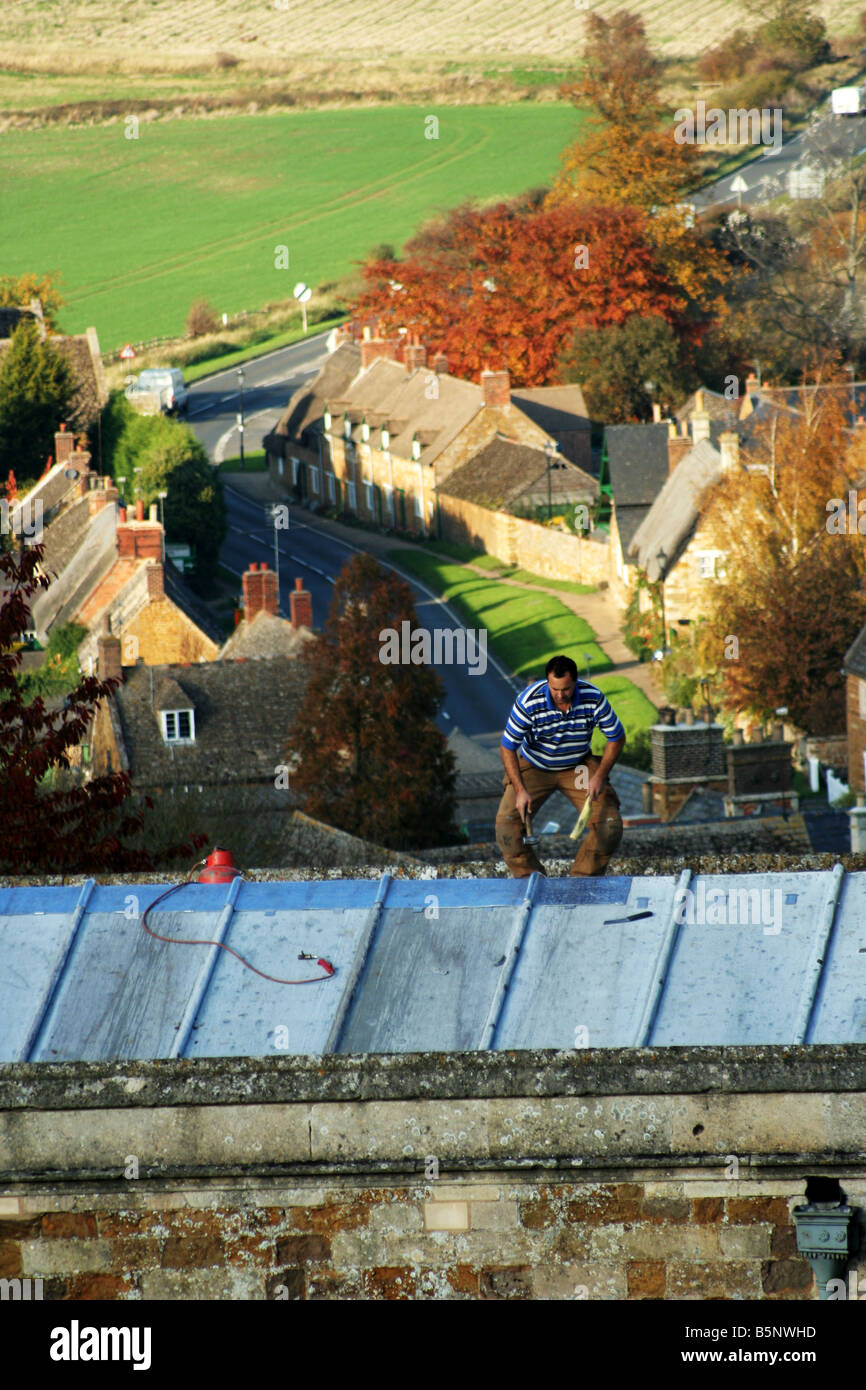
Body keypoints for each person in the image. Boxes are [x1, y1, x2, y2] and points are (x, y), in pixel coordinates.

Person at [496, 654, 625, 877]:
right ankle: (532, 879)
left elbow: (617, 737)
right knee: (506, 826)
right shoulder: (528, 702)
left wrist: (599, 776)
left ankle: (582, 880)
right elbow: (507, 747)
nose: (559, 694)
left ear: (575, 682)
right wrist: (520, 790)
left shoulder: (592, 697)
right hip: (535, 765)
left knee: (610, 825)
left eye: (565, 689)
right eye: (553, 688)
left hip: (577, 766)